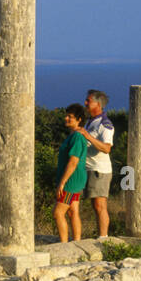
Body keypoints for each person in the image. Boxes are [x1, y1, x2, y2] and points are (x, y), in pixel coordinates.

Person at [77, 88, 115, 238]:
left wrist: (87, 136)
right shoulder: (91, 122)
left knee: (100, 205)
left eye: (89, 101)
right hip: (88, 169)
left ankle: (103, 238)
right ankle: (100, 236)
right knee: (95, 205)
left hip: (99, 170)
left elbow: (106, 148)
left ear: (98, 104)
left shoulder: (105, 125)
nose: (85, 103)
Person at [54, 103, 89, 242]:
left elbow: (73, 161)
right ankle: (76, 242)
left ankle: (64, 244)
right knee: (73, 211)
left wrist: (62, 183)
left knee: (58, 213)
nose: (66, 118)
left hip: (71, 180)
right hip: (75, 179)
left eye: (70, 117)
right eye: (67, 115)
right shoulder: (73, 135)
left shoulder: (77, 137)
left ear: (79, 119)